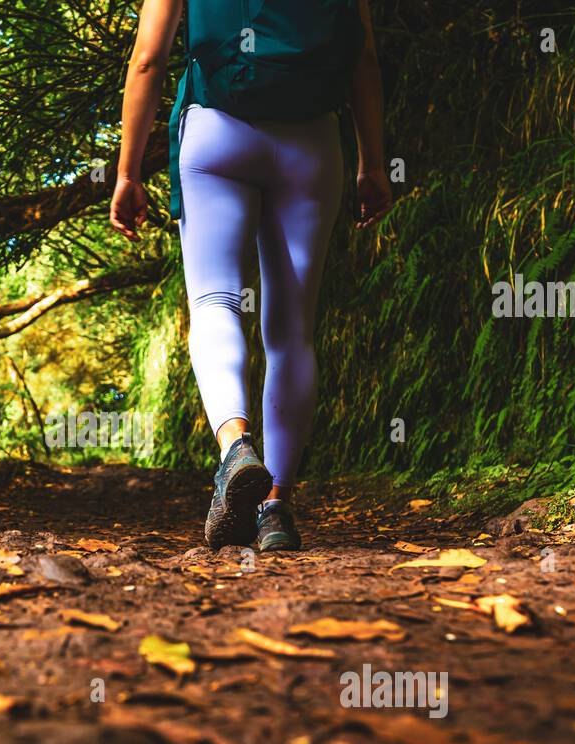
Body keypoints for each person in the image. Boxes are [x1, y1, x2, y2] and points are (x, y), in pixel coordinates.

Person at [110, 0, 391, 551]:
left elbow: (148, 61)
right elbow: (364, 60)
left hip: (217, 133)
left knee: (215, 301)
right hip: (311, 143)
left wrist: (126, 172)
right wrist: (372, 164)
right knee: (291, 332)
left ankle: (236, 447)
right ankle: (278, 508)